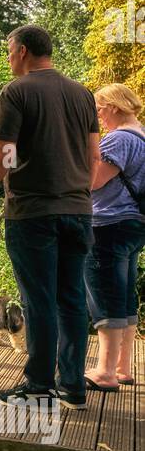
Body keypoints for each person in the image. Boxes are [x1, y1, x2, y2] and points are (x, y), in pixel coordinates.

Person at [0, 24, 100, 410]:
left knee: (39, 300)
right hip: (78, 212)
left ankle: (40, 385)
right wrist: (76, 194)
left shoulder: (17, 91)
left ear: (22, 51)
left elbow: (2, 153)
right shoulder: (82, 94)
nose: (8, 58)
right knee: (72, 299)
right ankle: (72, 385)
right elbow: (93, 156)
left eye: (9, 51)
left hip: (33, 213)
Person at [83, 84, 145, 390]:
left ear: (115, 107)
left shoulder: (120, 138)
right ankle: (123, 367)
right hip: (135, 224)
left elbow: (93, 180)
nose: (98, 116)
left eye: (99, 109)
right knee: (123, 294)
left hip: (108, 223)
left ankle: (105, 372)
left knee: (105, 294)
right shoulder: (143, 136)